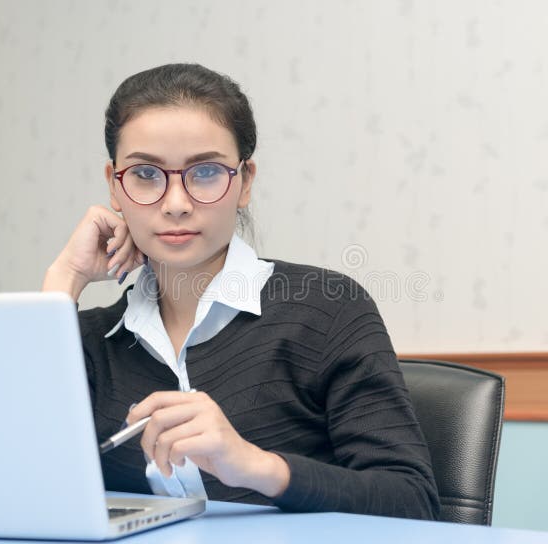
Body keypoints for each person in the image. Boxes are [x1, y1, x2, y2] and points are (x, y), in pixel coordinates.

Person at [42, 63, 439, 520]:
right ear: (115, 185)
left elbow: (412, 501)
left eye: (206, 171)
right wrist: (64, 278)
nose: (175, 203)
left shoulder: (328, 310)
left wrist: (255, 466)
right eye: (146, 174)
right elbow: (16, 481)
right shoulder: (88, 342)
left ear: (244, 181)